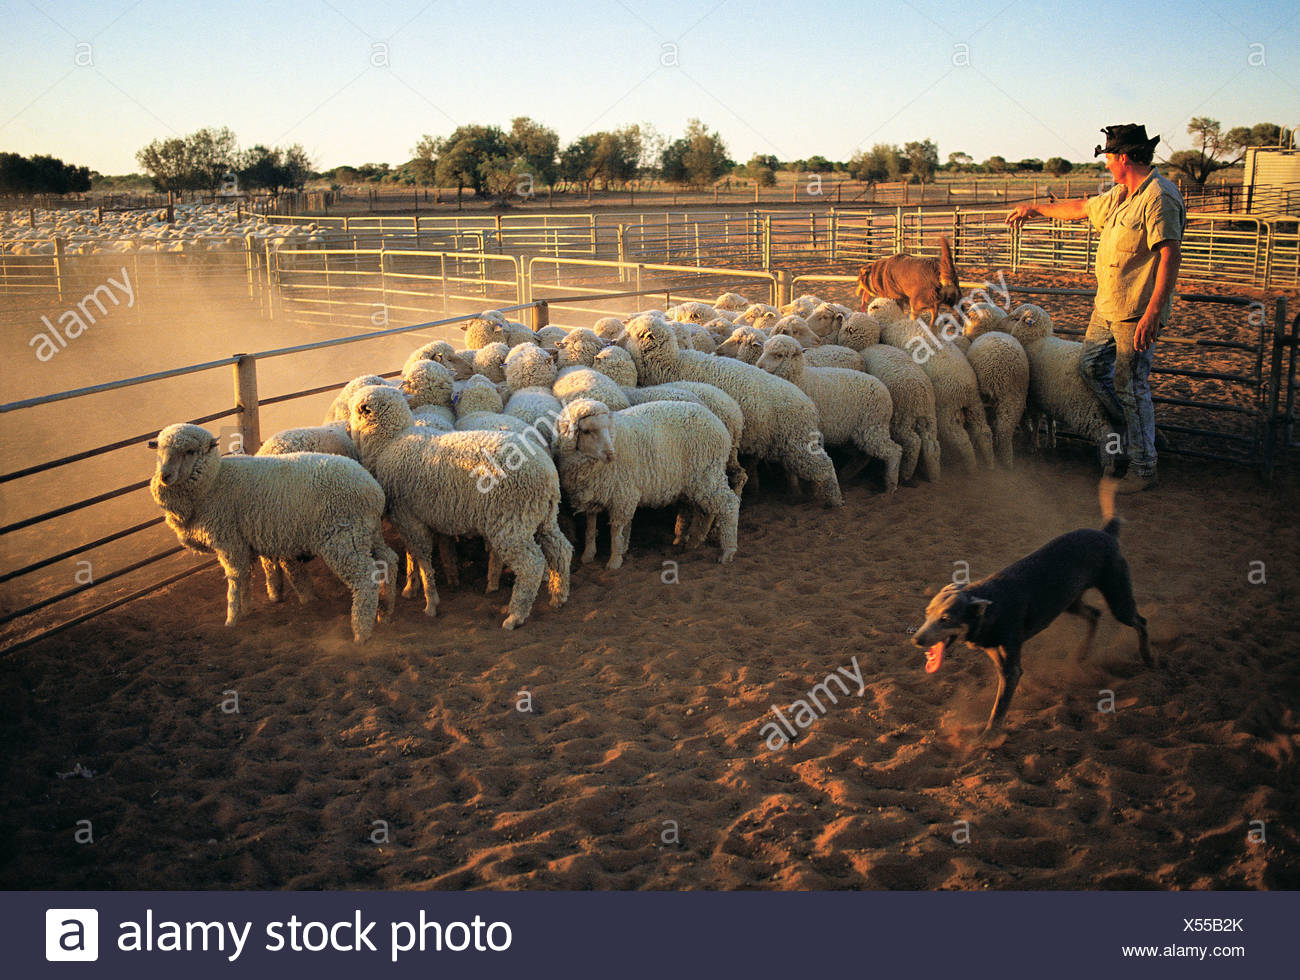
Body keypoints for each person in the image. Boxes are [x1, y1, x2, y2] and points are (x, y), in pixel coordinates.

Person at [1007, 124, 1185, 493]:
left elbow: (1169, 256)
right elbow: (1082, 207)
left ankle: (1143, 466)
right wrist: (1035, 208)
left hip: (1135, 309)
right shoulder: (1122, 193)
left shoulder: (1158, 196)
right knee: (1090, 367)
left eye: (1108, 157)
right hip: (1107, 304)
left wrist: (1153, 311)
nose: (1105, 164)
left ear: (1124, 157)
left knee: (1131, 385)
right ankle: (1141, 432)